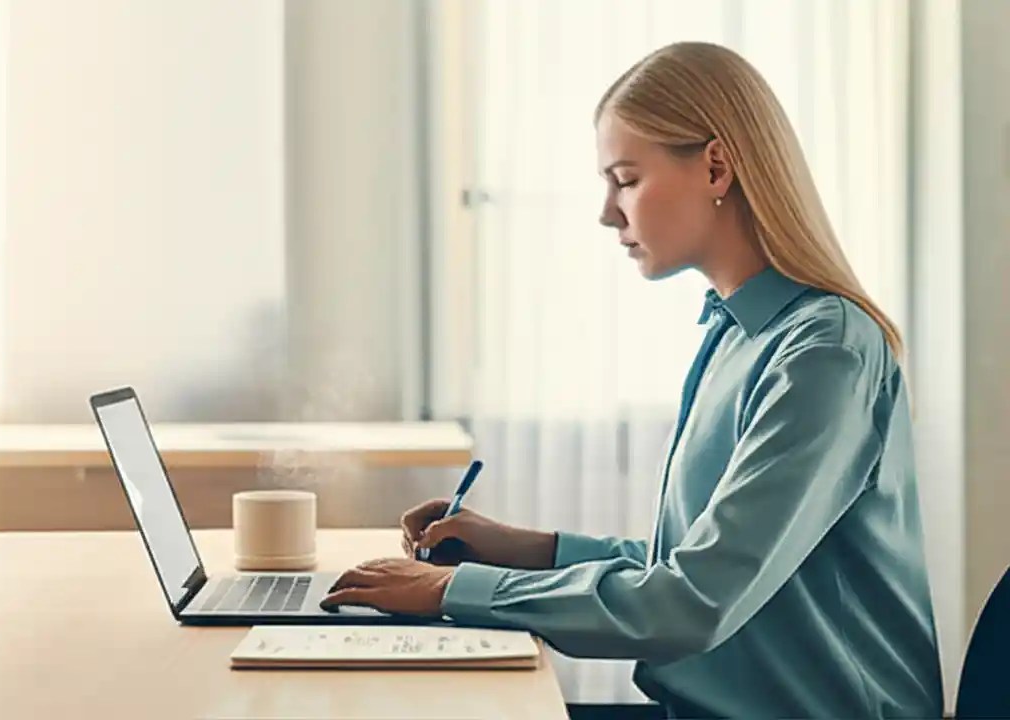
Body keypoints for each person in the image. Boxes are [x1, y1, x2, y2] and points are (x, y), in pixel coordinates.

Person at [319, 41, 943, 719]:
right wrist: (517, 548)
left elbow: (689, 603)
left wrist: (449, 590)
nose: (608, 212)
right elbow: (681, 563)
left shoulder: (825, 353)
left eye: (625, 179)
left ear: (715, 167)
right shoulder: (734, 335)